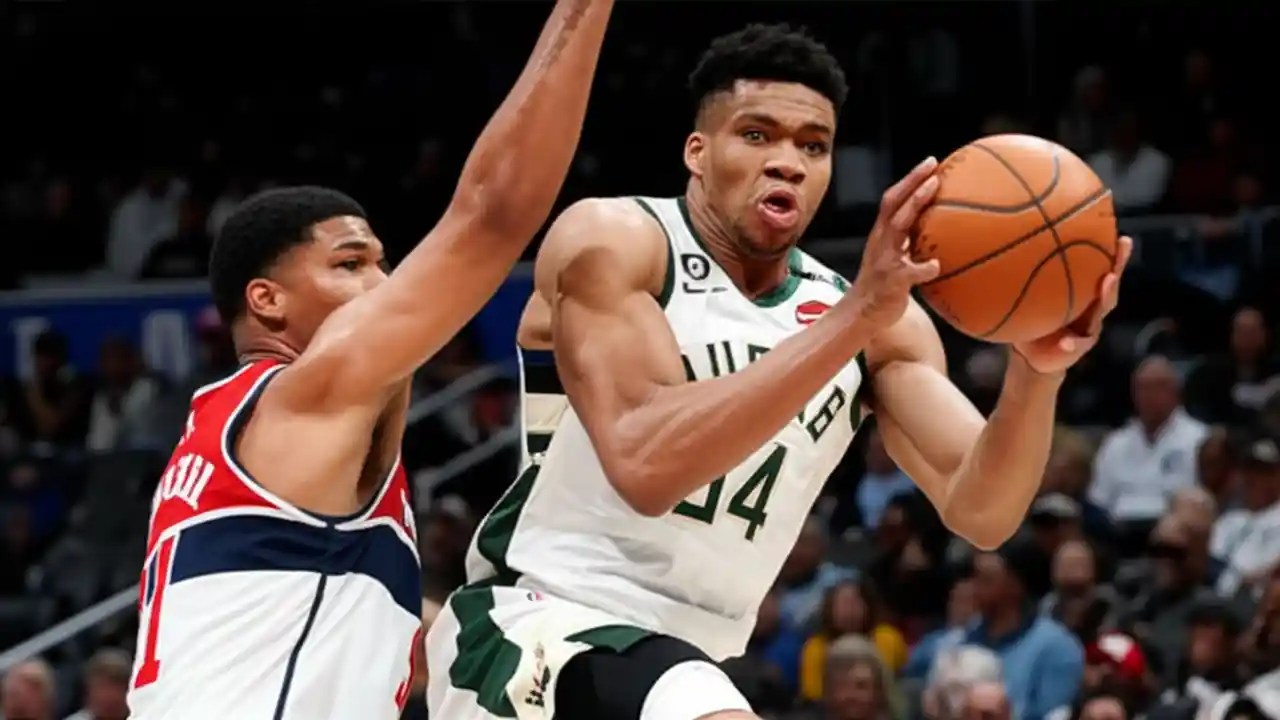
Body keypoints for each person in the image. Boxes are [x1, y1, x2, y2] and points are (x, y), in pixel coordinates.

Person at [427, 23, 1130, 720]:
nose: (788, 161)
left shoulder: (878, 324)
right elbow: (644, 464)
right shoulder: (620, 241)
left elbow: (984, 510)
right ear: (697, 152)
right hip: (540, 629)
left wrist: (1037, 370)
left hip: (691, 658)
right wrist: (852, 319)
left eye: (813, 145)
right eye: (757, 135)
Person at [124, 1, 614, 718]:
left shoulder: (229, 444)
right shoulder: (304, 394)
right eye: (350, 264)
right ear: (267, 301)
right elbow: (495, 213)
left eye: (382, 263)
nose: (382, 286)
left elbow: (320, 609)